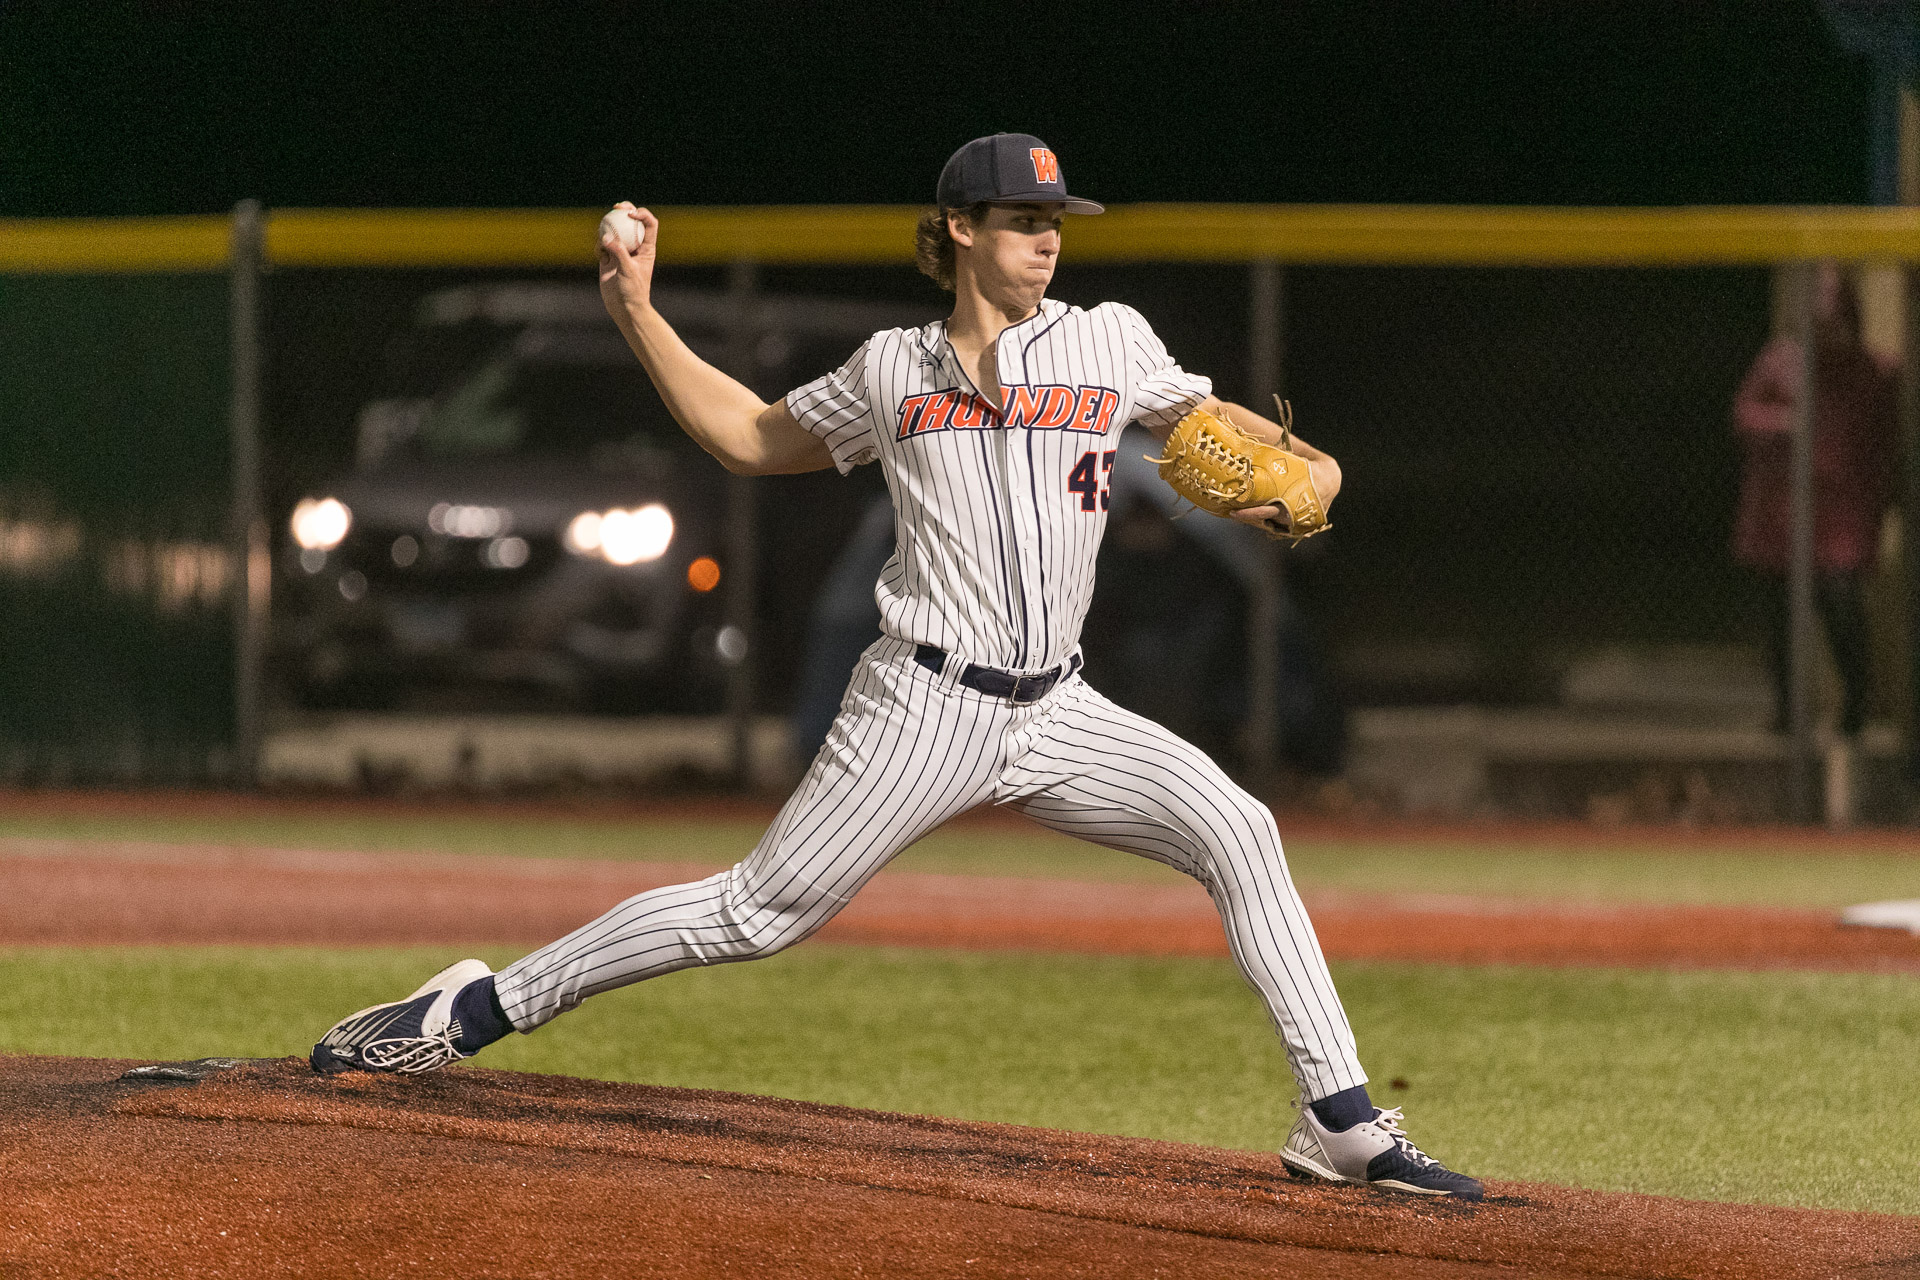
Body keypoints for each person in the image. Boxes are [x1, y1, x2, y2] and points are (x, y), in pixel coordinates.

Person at [309, 133, 1481, 1200]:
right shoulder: (892, 369)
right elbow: (750, 436)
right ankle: (466, 1009)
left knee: (1240, 828)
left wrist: (1310, 472)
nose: (1049, 237)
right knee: (752, 914)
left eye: (1058, 219)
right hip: (919, 704)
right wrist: (636, 312)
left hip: (1060, 705)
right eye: (1026, 220)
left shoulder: (1111, 340)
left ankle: (1340, 1120)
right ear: (961, 230)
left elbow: (1243, 437)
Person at [1732, 264, 1897, 739]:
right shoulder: (1782, 362)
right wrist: (1785, 424)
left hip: (1842, 512)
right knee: (1783, 612)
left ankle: (1855, 709)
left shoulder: (1874, 373)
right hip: (1785, 510)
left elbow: (1886, 445)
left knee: (1842, 604)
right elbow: (1745, 413)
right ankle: (1787, 710)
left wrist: (1881, 498)